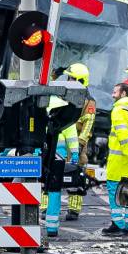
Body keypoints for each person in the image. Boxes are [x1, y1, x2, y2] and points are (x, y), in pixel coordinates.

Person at [102, 80, 128, 236]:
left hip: (120, 161)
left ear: (123, 93)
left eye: (115, 92)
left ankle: (118, 225)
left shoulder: (119, 109)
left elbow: (123, 134)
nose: (113, 95)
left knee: (115, 194)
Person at [62, 63, 95, 221]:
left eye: (72, 77)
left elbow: (88, 123)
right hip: (60, 140)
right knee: (50, 175)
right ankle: (45, 207)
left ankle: (73, 210)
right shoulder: (64, 93)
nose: (68, 79)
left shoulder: (88, 100)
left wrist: (81, 143)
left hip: (76, 142)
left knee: (76, 175)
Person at [43, 96, 79, 238]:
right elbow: (72, 137)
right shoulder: (64, 117)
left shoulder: (40, 114)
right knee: (54, 190)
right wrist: (75, 153)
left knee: (39, 188)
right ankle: (52, 228)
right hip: (58, 157)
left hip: (40, 156)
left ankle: (41, 220)